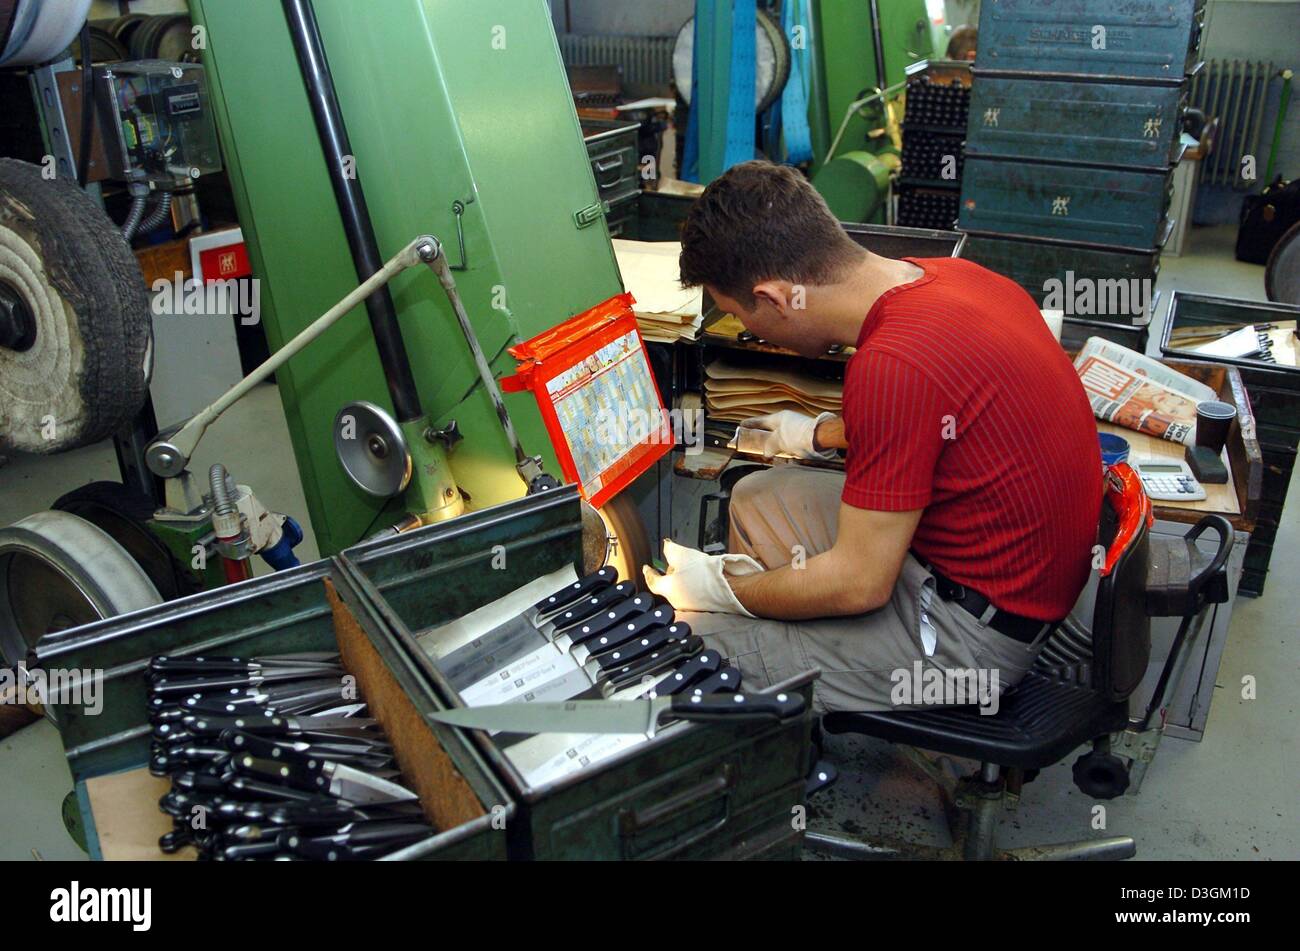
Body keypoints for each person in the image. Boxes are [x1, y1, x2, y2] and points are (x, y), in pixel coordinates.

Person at [643, 161, 1101, 713]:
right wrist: (818, 434)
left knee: (694, 640)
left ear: (776, 297)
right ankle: (802, 643)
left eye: (739, 313)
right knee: (758, 497)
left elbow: (860, 585)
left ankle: (784, 685)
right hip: (1000, 571)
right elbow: (939, 412)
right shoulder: (957, 279)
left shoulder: (891, 365)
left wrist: (719, 592)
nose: (745, 328)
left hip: (974, 640)